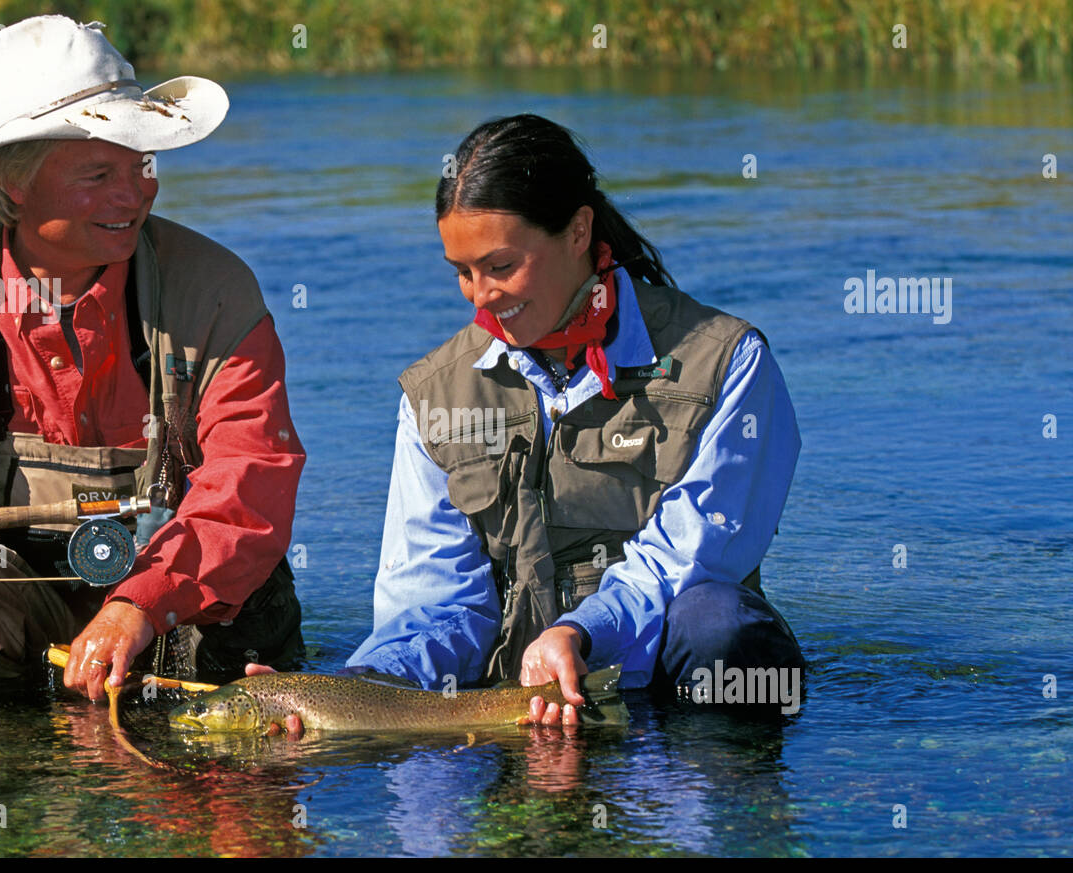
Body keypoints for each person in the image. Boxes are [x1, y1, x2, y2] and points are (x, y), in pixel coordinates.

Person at [0, 16, 305, 701]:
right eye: (99, 175)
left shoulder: (216, 295)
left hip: (187, 612)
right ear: (14, 190)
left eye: (142, 167)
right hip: (11, 622)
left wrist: (138, 605)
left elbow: (253, 483)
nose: (135, 194)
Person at [345, 114, 805, 725]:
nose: (479, 296)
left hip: (671, 686)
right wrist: (351, 693)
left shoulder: (727, 363)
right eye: (462, 271)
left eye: (501, 266)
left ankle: (705, 808)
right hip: (521, 701)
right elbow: (435, 603)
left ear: (579, 229)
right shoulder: (433, 397)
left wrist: (580, 633)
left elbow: (691, 559)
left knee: (719, 626)